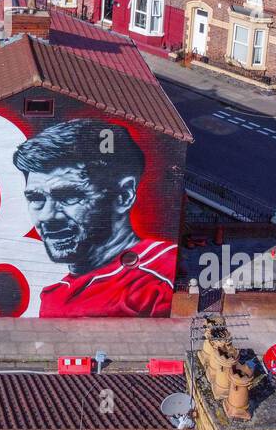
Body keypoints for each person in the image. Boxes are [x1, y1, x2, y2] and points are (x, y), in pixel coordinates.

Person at [12, 119, 177, 317]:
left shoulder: (162, 276)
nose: (47, 216)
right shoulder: (54, 295)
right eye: (36, 198)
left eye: (69, 196)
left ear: (124, 196)